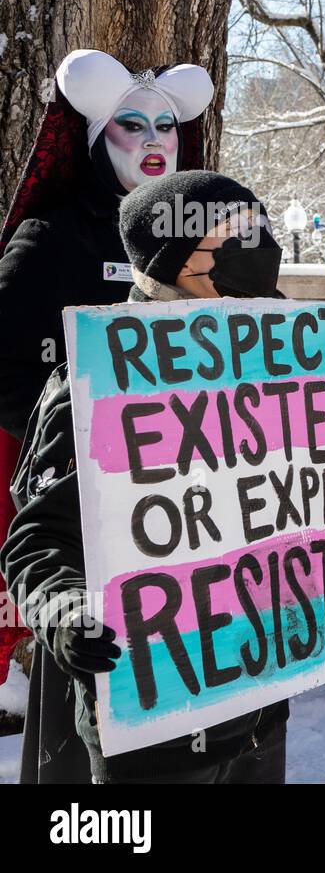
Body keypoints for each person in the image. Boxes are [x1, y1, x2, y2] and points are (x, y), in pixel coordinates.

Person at [0, 170, 293, 783]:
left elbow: (314, 495)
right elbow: (36, 542)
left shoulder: (288, 369)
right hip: (152, 721)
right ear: (174, 262)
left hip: (261, 706)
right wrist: (65, 611)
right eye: (236, 240)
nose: (259, 253)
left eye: (261, 232)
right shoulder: (97, 384)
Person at [0, 49, 213, 781]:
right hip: (83, 526)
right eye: (130, 124)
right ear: (94, 139)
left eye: (166, 125)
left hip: (185, 524)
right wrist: (80, 425)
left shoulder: (206, 250)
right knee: (84, 713)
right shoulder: (49, 240)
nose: (155, 140)